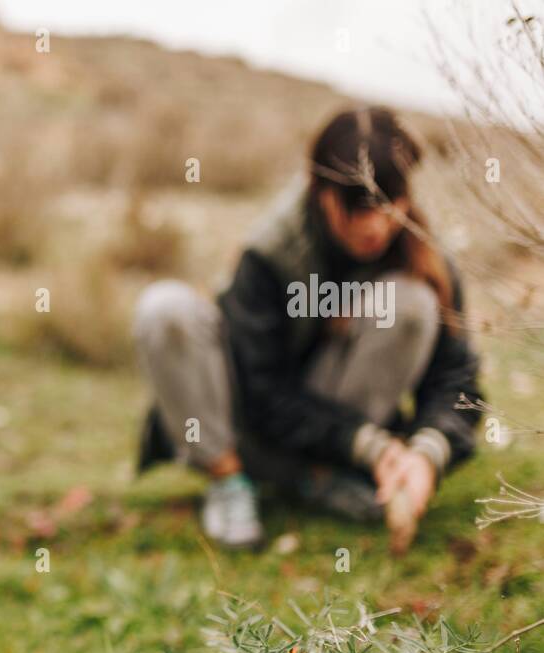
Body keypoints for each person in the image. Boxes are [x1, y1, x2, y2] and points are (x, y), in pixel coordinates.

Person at [132, 105, 483, 551]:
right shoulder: (270, 252)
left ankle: (320, 475)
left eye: (388, 203)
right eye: (355, 206)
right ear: (321, 191)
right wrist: (373, 449)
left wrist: (424, 456)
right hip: (249, 427)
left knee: (411, 303)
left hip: (342, 433)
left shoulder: (425, 256)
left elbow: (460, 383)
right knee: (164, 309)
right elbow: (263, 394)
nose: (375, 225)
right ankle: (231, 483)